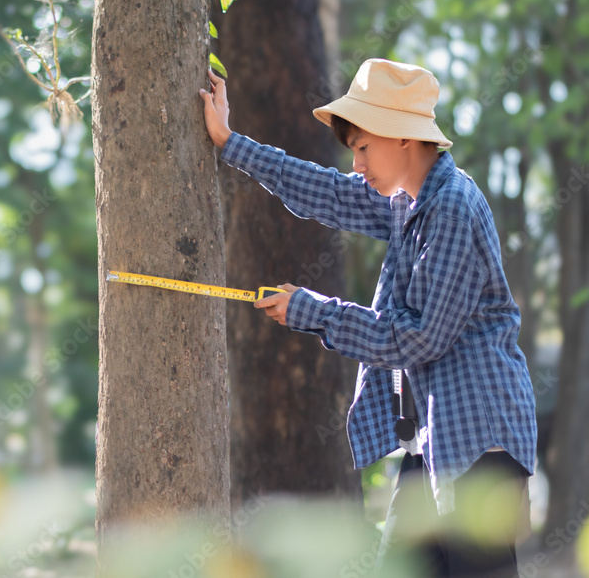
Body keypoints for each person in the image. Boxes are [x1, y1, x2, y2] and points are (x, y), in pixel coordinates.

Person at [200, 59, 537, 577]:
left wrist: (313, 311)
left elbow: (421, 339)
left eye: (362, 147)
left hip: (480, 443)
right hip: (437, 438)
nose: (356, 164)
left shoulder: (451, 207)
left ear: (404, 137)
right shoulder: (407, 200)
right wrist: (230, 143)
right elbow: (328, 193)